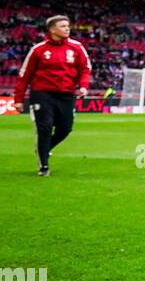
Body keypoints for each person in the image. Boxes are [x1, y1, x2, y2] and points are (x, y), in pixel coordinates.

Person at [13, 15, 91, 177]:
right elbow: (24, 75)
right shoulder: (38, 49)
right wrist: (18, 100)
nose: (67, 28)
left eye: (67, 26)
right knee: (45, 128)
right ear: (52, 29)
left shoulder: (76, 47)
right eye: (62, 26)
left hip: (67, 94)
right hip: (43, 95)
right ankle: (44, 166)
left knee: (65, 129)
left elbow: (85, 68)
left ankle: (44, 148)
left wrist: (83, 86)